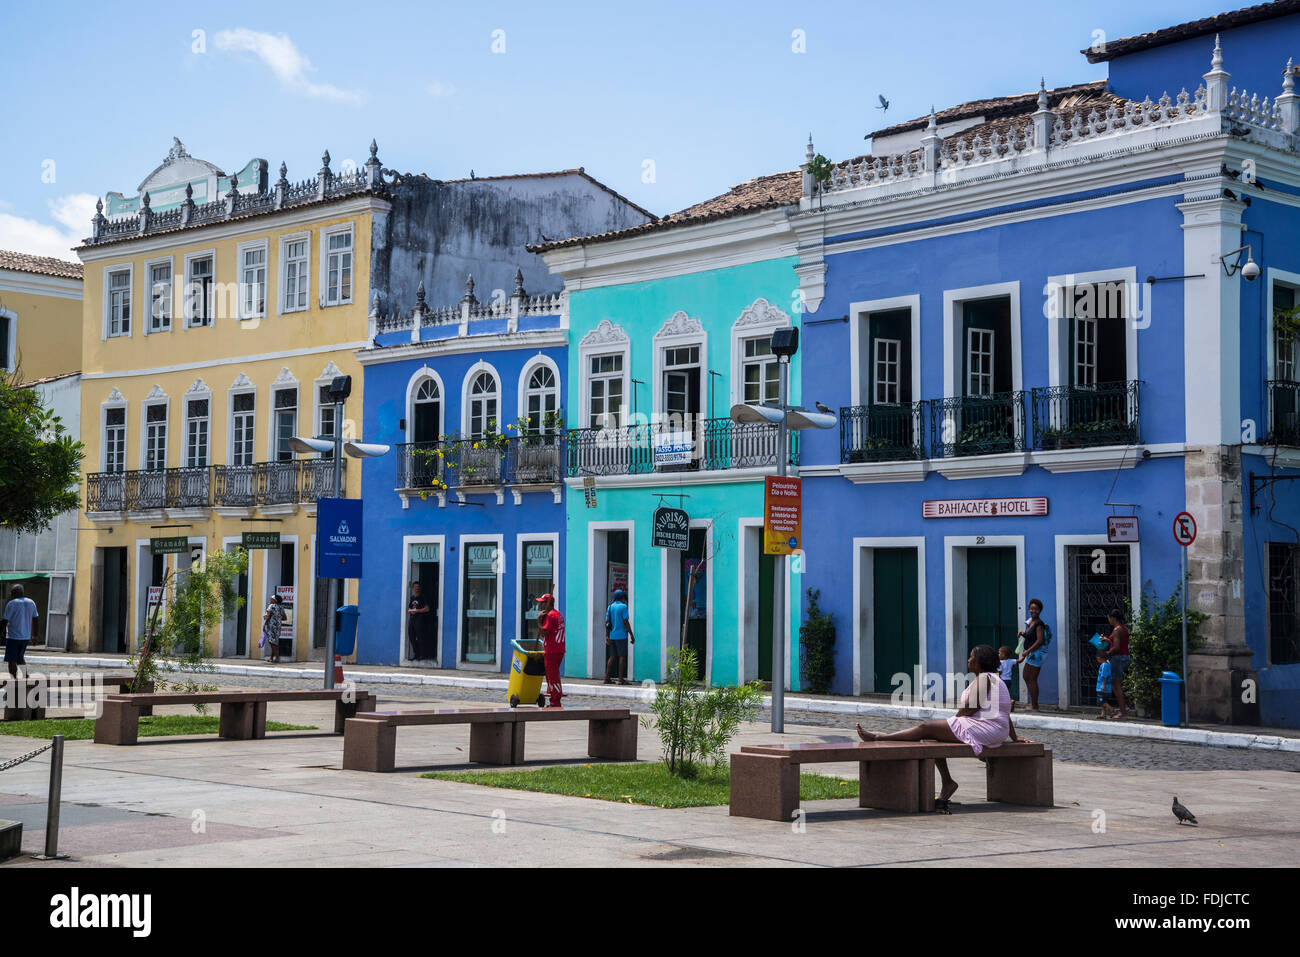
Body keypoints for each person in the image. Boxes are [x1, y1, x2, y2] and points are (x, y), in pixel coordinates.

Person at [856, 645, 1030, 806]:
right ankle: (948, 783)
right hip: (993, 729)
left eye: (971, 657)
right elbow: (1004, 713)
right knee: (933, 737)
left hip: (985, 728)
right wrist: (1014, 737)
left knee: (926, 727)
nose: (968, 660)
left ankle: (878, 737)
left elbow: (971, 707)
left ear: (980, 662)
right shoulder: (994, 679)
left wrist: (952, 722)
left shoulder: (985, 678)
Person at [1015, 598, 1052, 711]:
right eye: (1031, 608)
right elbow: (1031, 636)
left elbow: (1040, 640)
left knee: (1030, 677)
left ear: (1040, 610)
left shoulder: (1039, 624)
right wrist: (1023, 634)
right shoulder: (1030, 622)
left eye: (1035, 609)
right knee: (1028, 677)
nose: (1033, 611)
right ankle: (1034, 704)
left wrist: (1028, 651)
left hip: (1036, 654)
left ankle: (1035, 705)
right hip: (1033, 653)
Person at [535, 594, 565, 708]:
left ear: (547, 603)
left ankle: (555, 702)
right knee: (554, 676)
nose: (540, 604)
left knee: (552, 677)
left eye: (542, 602)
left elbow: (544, 633)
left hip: (552, 650)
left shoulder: (550, 616)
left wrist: (539, 621)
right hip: (559, 649)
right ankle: (556, 697)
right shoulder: (558, 614)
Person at [2, 584, 38, 678]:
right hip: (25, 637)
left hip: (13, 637)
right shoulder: (31, 602)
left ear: (13, 594)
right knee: (20, 658)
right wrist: (35, 636)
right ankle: (26, 676)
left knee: (12, 660)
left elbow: (5, 621)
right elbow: (35, 619)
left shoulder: (11, 604)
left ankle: (14, 680)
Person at [603, 589, 634, 685]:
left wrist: (607, 636)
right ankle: (621, 679)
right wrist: (631, 635)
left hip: (612, 635)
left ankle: (607, 678)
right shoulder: (623, 607)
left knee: (612, 656)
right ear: (622, 598)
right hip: (621, 636)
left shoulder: (610, 607)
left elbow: (607, 623)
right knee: (622, 657)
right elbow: (626, 622)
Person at [1105, 608, 1131, 719]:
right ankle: (1124, 707)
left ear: (1113, 618)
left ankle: (1123, 713)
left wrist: (1107, 653)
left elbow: (1116, 647)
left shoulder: (1116, 630)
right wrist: (1108, 640)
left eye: (1109, 618)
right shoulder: (1123, 629)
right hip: (1125, 657)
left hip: (1117, 658)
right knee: (1117, 684)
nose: (1109, 620)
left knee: (1116, 685)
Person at [407, 582, 430, 660]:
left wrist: (417, 611)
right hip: (412, 620)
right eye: (415, 587)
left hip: (420, 620)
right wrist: (411, 611)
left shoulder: (422, 597)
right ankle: (416, 654)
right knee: (411, 637)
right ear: (413, 588)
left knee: (420, 638)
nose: (417, 588)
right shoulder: (412, 597)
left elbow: (427, 609)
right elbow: (409, 609)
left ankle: (423, 655)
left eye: (418, 587)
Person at [262, 593, 285, 664]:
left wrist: (264, 624)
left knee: (271, 642)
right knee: (275, 641)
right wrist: (277, 618)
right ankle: (271, 658)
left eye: (271, 599)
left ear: (274, 600)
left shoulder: (271, 606)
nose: (270, 600)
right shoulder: (281, 607)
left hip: (271, 626)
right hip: (278, 626)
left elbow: (268, 616)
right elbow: (284, 617)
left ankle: (277, 657)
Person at [1095, 648, 1117, 719]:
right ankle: (1103, 714)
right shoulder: (1108, 663)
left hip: (1103, 687)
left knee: (1100, 701)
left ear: (1100, 658)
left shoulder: (1104, 665)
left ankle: (1112, 709)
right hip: (1107, 687)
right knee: (1103, 700)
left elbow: (1104, 676)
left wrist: (1103, 685)